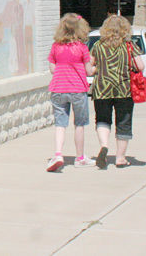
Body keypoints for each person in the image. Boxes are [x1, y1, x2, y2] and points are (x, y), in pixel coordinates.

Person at [90, 14, 144, 169]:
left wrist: (98, 69)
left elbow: (89, 68)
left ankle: (104, 146)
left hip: (102, 89)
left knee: (102, 119)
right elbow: (140, 66)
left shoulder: (98, 46)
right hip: (124, 89)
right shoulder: (129, 45)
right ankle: (120, 158)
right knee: (123, 122)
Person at [45, 13, 95, 172]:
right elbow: (89, 71)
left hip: (58, 89)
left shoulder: (56, 46)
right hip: (78, 89)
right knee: (79, 124)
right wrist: (96, 68)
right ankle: (80, 157)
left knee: (60, 124)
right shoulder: (82, 48)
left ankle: (58, 154)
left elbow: (52, 69)